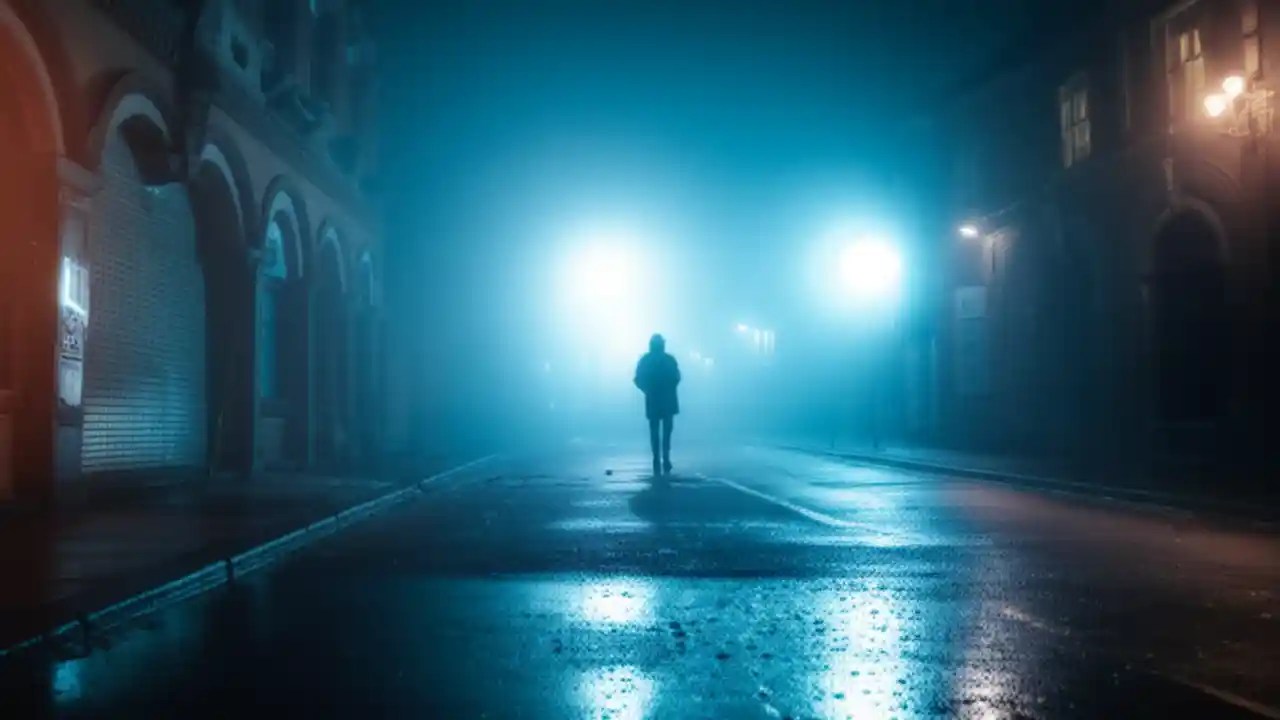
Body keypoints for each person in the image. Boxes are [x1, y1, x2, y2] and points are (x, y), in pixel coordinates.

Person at [634, 333, 681, 476]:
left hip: (654, 400)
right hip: (667, 401)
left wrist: (647, 389)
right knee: (666, 432)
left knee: (655, 432)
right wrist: (669, 388)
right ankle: (665, 458)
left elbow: (637, 379)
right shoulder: (669, 360)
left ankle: (657, 458)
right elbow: (677, 377)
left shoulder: (646, 360)